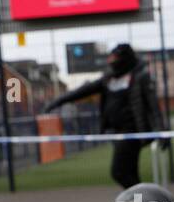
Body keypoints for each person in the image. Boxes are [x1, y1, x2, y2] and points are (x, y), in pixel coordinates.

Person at [38, 43, 166, 189]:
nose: (112, 61)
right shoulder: (109, 78)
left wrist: (161, 130)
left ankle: (145, 200)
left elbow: (153, 106)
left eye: (115, 58)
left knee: (118, 172)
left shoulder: (140, 77)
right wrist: (57, 101)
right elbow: (83, 91)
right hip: (115, 132)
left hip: (131, 132)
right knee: (130, 172)